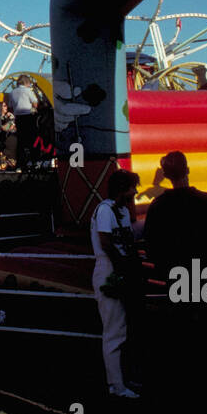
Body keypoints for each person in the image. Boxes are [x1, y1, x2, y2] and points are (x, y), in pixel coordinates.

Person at [90, 170, 144, 399]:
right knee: (114, 330)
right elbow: (106, 242)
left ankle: (123, 378)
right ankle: (116, 385)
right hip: (110, 269)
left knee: (123, 328)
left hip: (119, 268)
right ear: (123, 188)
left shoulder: (120, 211)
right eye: (132, 187)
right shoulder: (106, 210)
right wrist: (123, 266)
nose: (135, 192)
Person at [143, 151, 207, 281]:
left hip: (175, 277)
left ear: (166, 175)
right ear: (188, 170)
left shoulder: (157, 207)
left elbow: (152, 247)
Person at [8, 76, 40, 168]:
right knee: (33, 138)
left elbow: (10, 106)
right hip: (28, 117)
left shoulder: (12, 93)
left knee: (21, 141)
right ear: (26, 83)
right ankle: (35, 161)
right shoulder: (28, 91)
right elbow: (35, 103)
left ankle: (21, 163)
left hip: (18, 119)